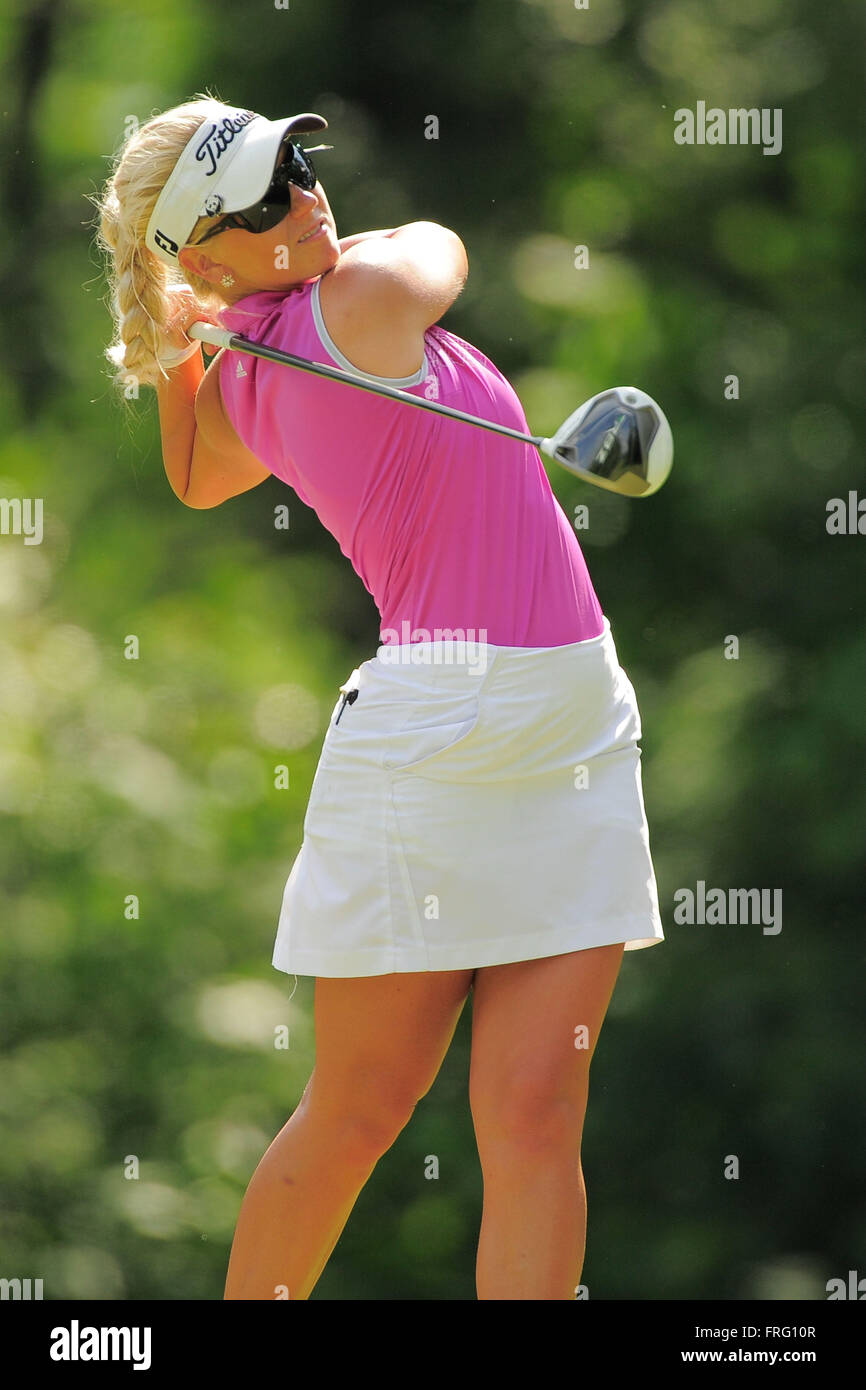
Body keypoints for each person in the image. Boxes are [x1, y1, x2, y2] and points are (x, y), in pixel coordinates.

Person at [93, 93, 664, 1301]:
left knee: (532, 1117)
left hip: (570, 724)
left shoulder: (253, 360)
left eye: (299, 167)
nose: (305, 198)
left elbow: (195, 472)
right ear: (200, 252)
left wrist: (194, 332)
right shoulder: (356, 298)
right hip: (437, 739)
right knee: (358, 1109)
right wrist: (238, 303)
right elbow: (438, 248)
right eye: (262, 197)